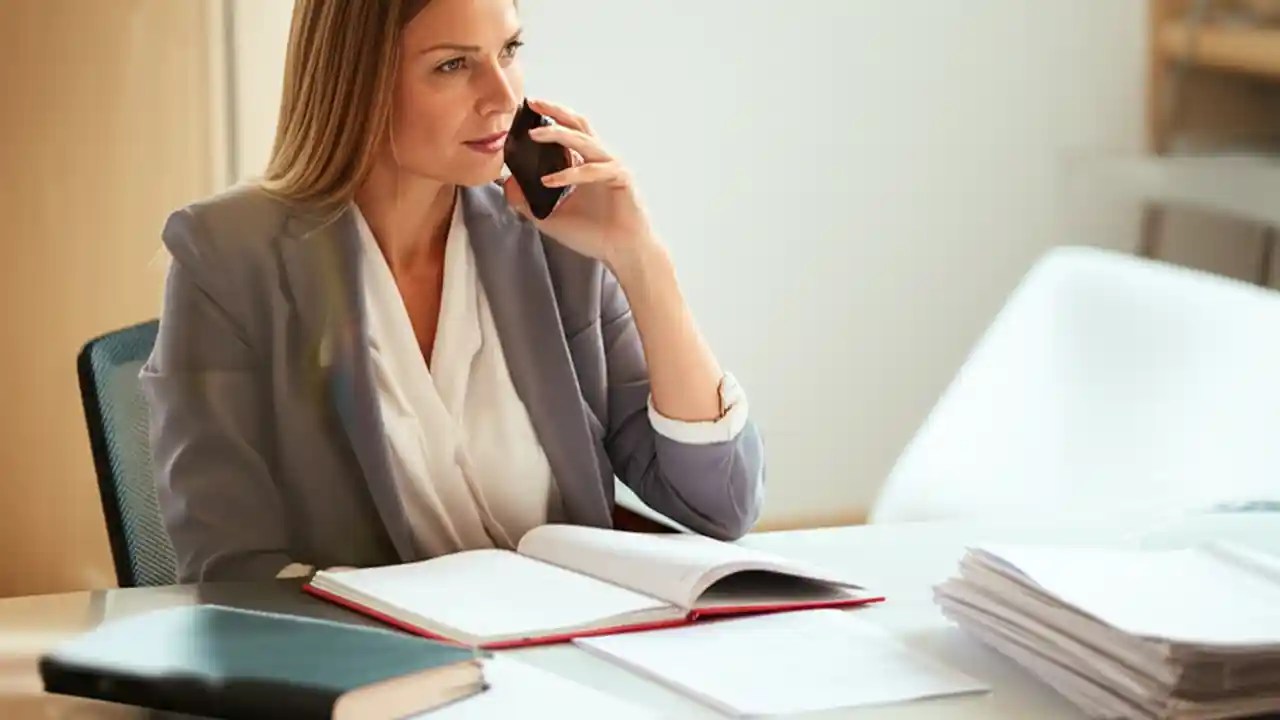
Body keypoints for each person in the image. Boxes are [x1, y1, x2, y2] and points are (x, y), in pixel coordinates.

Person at [141, 0, 765, 583]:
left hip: (566, 666)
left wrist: (641, 260)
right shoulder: (227, 255)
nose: (503, 97)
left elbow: (721, 504)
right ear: (355, 81)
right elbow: (227, 566)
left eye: (509, 52)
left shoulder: (555, 241)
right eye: (453, 65)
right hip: (384, 679)